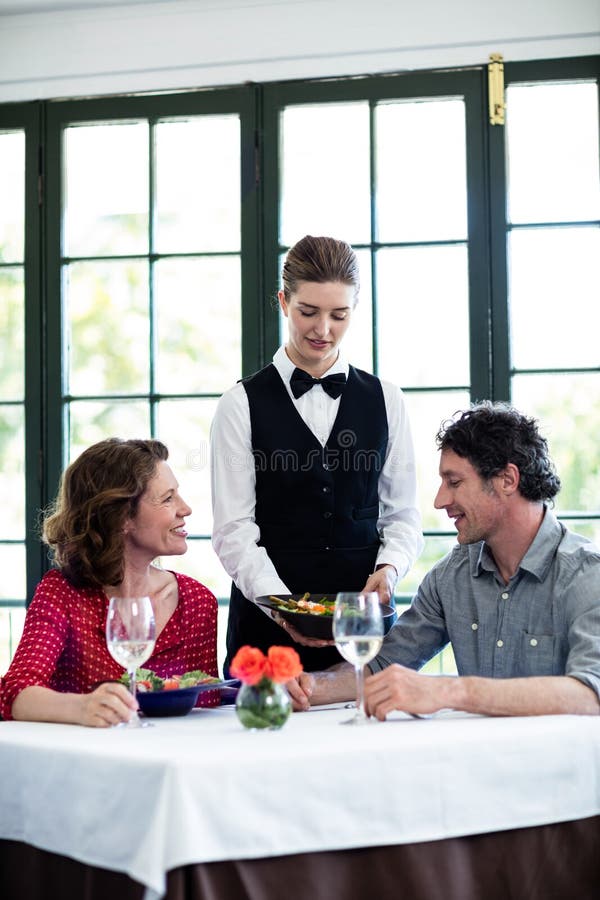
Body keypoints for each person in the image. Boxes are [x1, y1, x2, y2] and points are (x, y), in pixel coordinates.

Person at [288, 402, 600, 717]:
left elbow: (591, 694)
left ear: (507, 479)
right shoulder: (451, 576)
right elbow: (381, 664)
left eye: (454, 482)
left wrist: (449, 690)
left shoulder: (587, 575)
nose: (440, 501)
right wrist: (311, 686)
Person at [211, 234, 423, 672]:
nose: (323, 330)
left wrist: (390, 568)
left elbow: (402, 515)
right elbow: (233, 530)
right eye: (309, 311)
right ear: (284, 301)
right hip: (266, 637)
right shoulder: (239, 404)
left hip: (362, 637)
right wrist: (283, 606)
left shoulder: (388, 399)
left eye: (338, 315)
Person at [0, 438, 218, 727]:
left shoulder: (198, 601)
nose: (185, 508)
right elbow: (13, 692)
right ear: (122, 517)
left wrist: (269, 690)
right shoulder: (62, 593)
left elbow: (208, 704)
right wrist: (82, 707)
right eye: (167, 498)